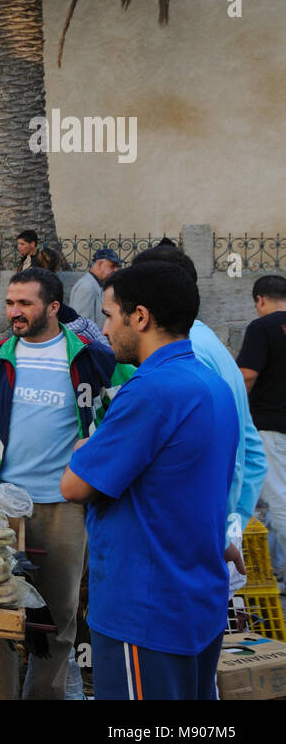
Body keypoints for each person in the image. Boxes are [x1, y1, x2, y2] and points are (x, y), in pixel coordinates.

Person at [0, 267, 133, 700]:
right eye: (10, 303)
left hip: (65, 507)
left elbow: (130, 416)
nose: (15, 312)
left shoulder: (92, 358)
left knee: (57, 620)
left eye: (25, 303)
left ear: (53, 307)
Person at [61, 263, 237, 701]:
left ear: (139, 317)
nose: (103, 328)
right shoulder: (212, 384)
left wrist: (87, 447)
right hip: (196, 600)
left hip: (145, 609)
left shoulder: (151, 390)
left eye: (108, 314)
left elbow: (75, 485)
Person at [131, 245, 266, 592]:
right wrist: (231, 523)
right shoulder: (207, 342)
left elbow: (214, 454)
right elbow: (251, 451)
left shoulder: (187, 353)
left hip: (189, 545)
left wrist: (219, 530)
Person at [239, 275, 286, 582]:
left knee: (279, 502)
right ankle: (277, 570)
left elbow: (246, 376)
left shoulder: (262, 327)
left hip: (269, 426)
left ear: (259, 300)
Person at [67, 248, 120, 331]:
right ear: (99, 264)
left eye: (117, 266)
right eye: (112, 266)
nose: (116, 270)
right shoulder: (86, 286)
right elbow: (81, 327)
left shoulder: (94, 284)